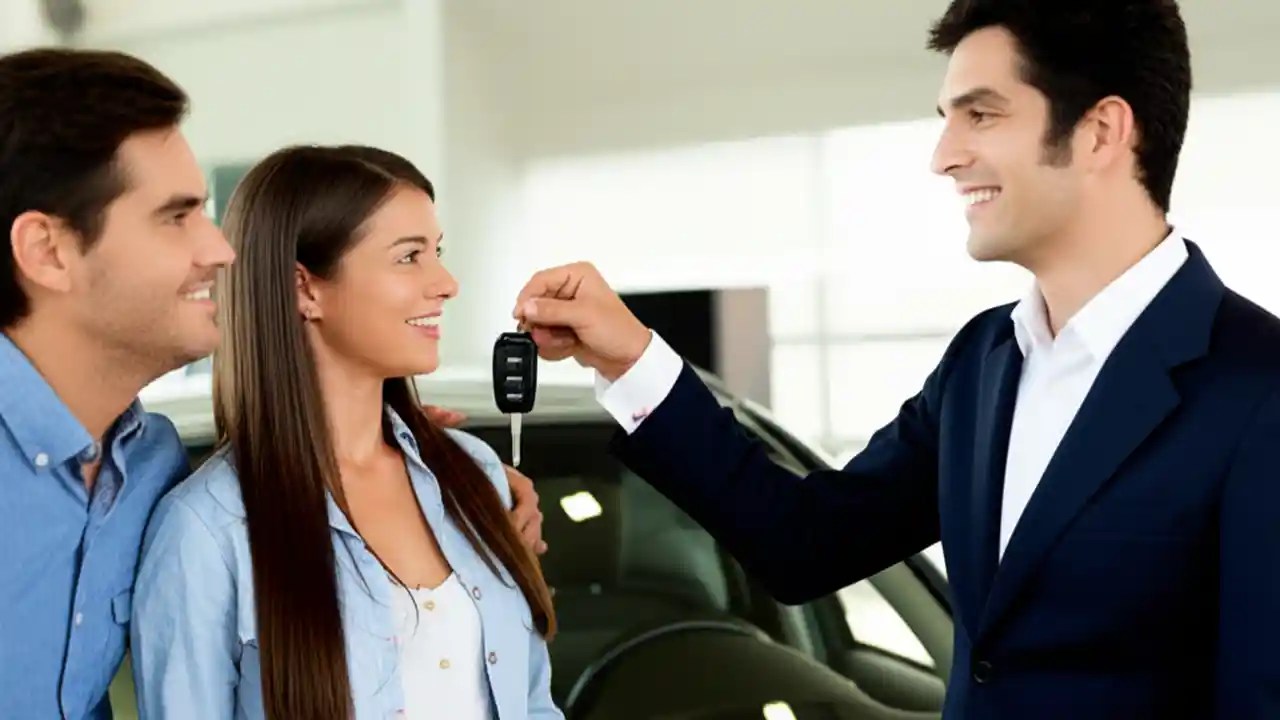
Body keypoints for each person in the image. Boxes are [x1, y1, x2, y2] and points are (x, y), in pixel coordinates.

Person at [512, 1, 1280, 718]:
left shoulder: (1258, 388)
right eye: (946, 119)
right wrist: (632, 358)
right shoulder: (985, 362)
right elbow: (806, 542)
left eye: (981, 114)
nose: (945, 156)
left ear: (1103, 132)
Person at [0, 48, 544, 720]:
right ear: (47, 251)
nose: (222, 251)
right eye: (176, 217)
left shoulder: (147, 461)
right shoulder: (199, 520)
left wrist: (458, 478)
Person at [129, 144, 563, 720]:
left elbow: (533, 704)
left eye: (437, 252)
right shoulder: (207, 532)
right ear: (305, 289)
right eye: (409, 257)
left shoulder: (474, 473)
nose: (447, 283)